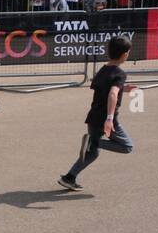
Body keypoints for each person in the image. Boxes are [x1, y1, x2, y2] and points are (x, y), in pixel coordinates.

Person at [58, 36, 136, 192]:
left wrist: (123, 88)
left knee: (92, 154)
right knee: (127, 146)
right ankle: (94, 142)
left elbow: (104, 86)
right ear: (125, 55)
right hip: (106, 119)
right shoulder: (119, 73)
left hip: (93, 117)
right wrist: (109, 118)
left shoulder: (103, 69)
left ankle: (69, 177)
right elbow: (112, 94)